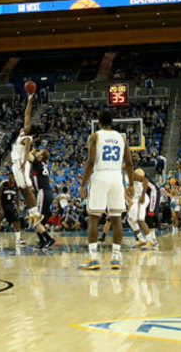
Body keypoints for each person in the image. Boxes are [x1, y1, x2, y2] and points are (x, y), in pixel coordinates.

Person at [79, 110, 133, 271]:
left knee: (94, 218)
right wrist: (130, 184)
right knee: (117, 218)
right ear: (112, 122)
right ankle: (115, 258)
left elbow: (91, 161)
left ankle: (93, 258)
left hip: (100, 175)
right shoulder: (122, 138)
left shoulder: (95, 136)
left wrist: (82, 184)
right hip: (117, 176)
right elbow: (129, 163)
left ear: (99, 122)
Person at [9, 93, 41, 226]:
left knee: (27, 188)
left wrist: (22, 164)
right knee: (22, 189)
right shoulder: (24, 133)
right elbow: (27, 115)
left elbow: (27, 150)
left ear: (30, 131)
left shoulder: (28, 138)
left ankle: (36, 213)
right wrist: (29, 100)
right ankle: (33, 213)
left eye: (28, 126)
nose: (25, 125)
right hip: (17, 164)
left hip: (21, 164)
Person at [29, 149, 57, 249]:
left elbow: (27, 154)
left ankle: (49, 239)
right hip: (46, 192)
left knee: (36, 219)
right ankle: (42, 240)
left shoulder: (38, 163)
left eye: (39, 153)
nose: (37, 153)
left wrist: (30, 149)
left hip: (43, 192)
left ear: (41, 157)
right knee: (36, 219)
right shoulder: (42, 165)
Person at [126, 168, 156, 249]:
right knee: (130, 219)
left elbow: (145, 181)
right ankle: (141, 239)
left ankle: (150, 241)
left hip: (140, 198)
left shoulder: (134, 174)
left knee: (140, 219)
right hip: (135, 199)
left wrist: (142, 196)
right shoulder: (126, 175)